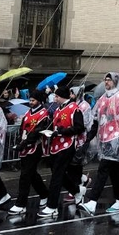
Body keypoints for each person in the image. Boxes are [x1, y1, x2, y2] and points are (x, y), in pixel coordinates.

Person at [82, 73, 119, 214]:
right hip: (104, 139)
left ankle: (92, 201)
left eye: (109, 80)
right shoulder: (102, 99)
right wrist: (88, 139)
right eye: (105, 79)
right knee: (115, 172)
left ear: (115, 81)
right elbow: (96, 120)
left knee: (103, 169)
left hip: (116, 139)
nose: (106, 82)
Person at [46, 84, 86, 216]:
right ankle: (76, 190)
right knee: (57, 172)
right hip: (56, 145)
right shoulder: (58, 109)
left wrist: (63, 132)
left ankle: (52, 206)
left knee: (57, 175)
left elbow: (79, 127)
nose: (55, 99)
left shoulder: (74, 108)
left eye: (56, 96)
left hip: (68, 145)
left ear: (62, 96)